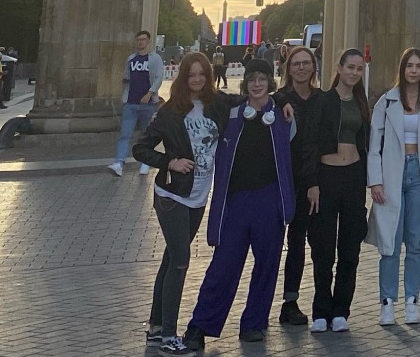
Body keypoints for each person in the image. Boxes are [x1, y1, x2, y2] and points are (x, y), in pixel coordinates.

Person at [181, 57, 297, 352]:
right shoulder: (230, 110)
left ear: (270, 82)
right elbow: (206, 93)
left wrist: (281, 98)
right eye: (252, 79)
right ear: (245, 83)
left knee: (268, 263)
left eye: (262, 79)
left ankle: (254, 322)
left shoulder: (284, 114)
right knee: (225, 263)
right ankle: (200, 324)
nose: (257, 85)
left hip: (270, 198)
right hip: (237, 199)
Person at [135, 51, 230, 353]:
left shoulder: (217, 106)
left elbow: (250, 98)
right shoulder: (170, 111)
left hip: (198, 196)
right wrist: (170, 162)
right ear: (183, 77)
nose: (198, 79)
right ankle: (169, 337)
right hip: (172, 195)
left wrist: (280, 103)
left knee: (169, 260)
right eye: (192, 74)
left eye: (203, 74)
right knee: (180, 261)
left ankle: (155, 327)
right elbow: (140, 148)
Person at [369, 47, 420, 325]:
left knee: (415, 241)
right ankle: (387, 302)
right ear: (402, 69)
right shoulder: (386, 102)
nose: (414, 70)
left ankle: (413, 300)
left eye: (418, 66)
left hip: (419, 175)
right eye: (409, 66)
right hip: (391, 174)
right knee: (389, 243)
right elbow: (374, 144)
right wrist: (375, 180)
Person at [306, 48, 372, 331]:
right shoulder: (323, 101)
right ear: (339, 68)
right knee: (323, 246)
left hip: (354, 176)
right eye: (350, 67)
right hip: (327, 175)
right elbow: (310, 143)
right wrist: (312, 183)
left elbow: (366, 142)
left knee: (349, 245)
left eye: (359, 69)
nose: (354, 73)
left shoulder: (360, 102)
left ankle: (341, 308)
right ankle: (321, 308)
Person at [276, 46, 324, 326]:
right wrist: (282, 98)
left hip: (313, 180)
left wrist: (313, 182)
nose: (302, 68)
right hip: (285, 179)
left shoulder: (321, 99)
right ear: (288, 68)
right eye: (296, 64)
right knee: (282, 243)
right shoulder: (281, 100)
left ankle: (300, 300)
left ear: (314, 68)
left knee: (306, 243)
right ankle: (284, 301)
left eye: (307, 63)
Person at [115, 30, 167, 177]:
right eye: (138, 40)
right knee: (125, 134)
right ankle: (119, 163)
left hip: (148, 103)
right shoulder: (131, 59)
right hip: (130, 102)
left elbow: (158, 78)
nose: (140, 42)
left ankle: (145, 162)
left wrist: (149, 93)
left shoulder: (155, 59)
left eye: (143, 40)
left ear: (148, 41)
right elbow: (127, 76)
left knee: (146, 135)